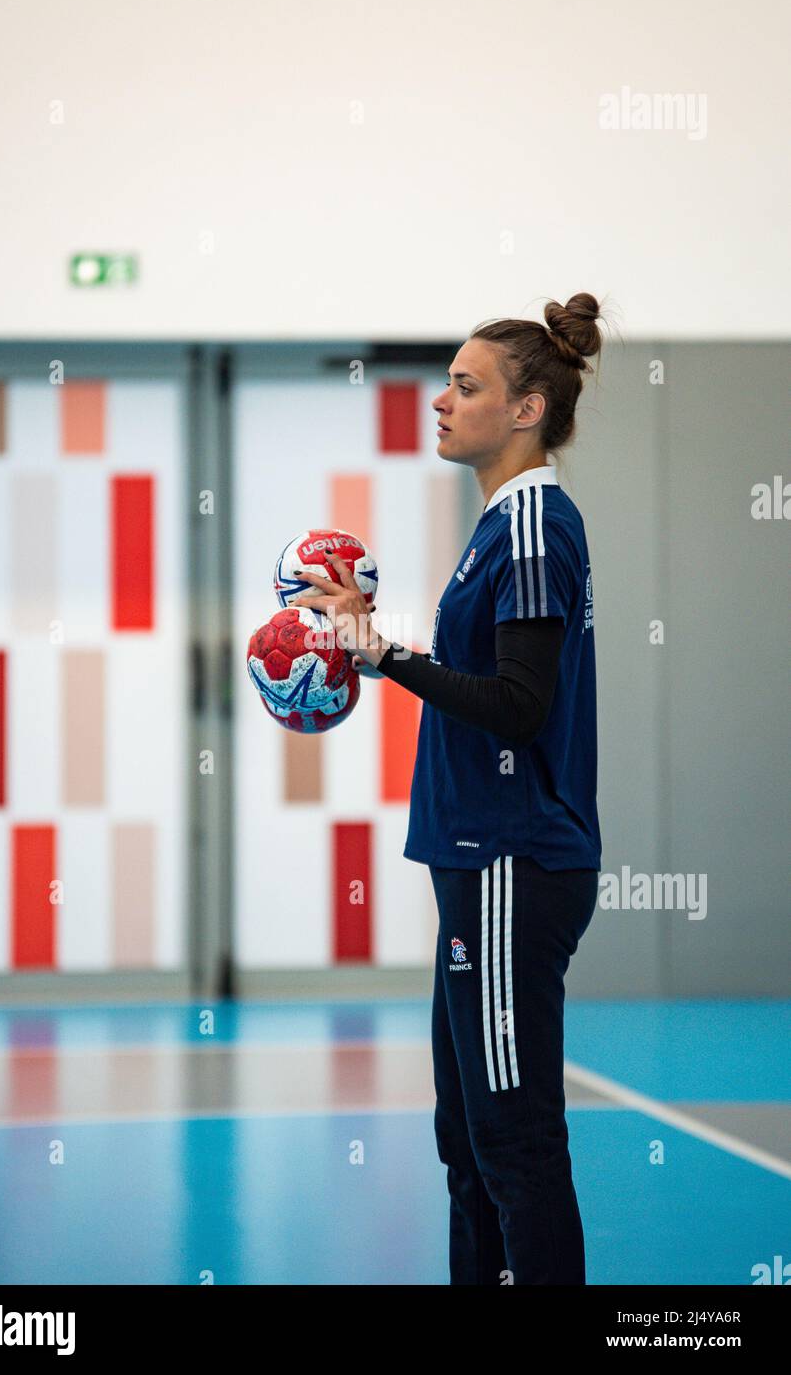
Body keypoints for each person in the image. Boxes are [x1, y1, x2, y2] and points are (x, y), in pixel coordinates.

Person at [296, 292, 604, 1285]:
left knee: (513, 1142)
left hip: (513, 862)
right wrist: (378, 638)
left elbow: (519, 704)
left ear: (525, 411)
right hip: (474, 865)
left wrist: (382, 652)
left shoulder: (532, 526)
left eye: (465, 387)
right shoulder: (498, 528)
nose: (441, 401)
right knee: (467, 1143)